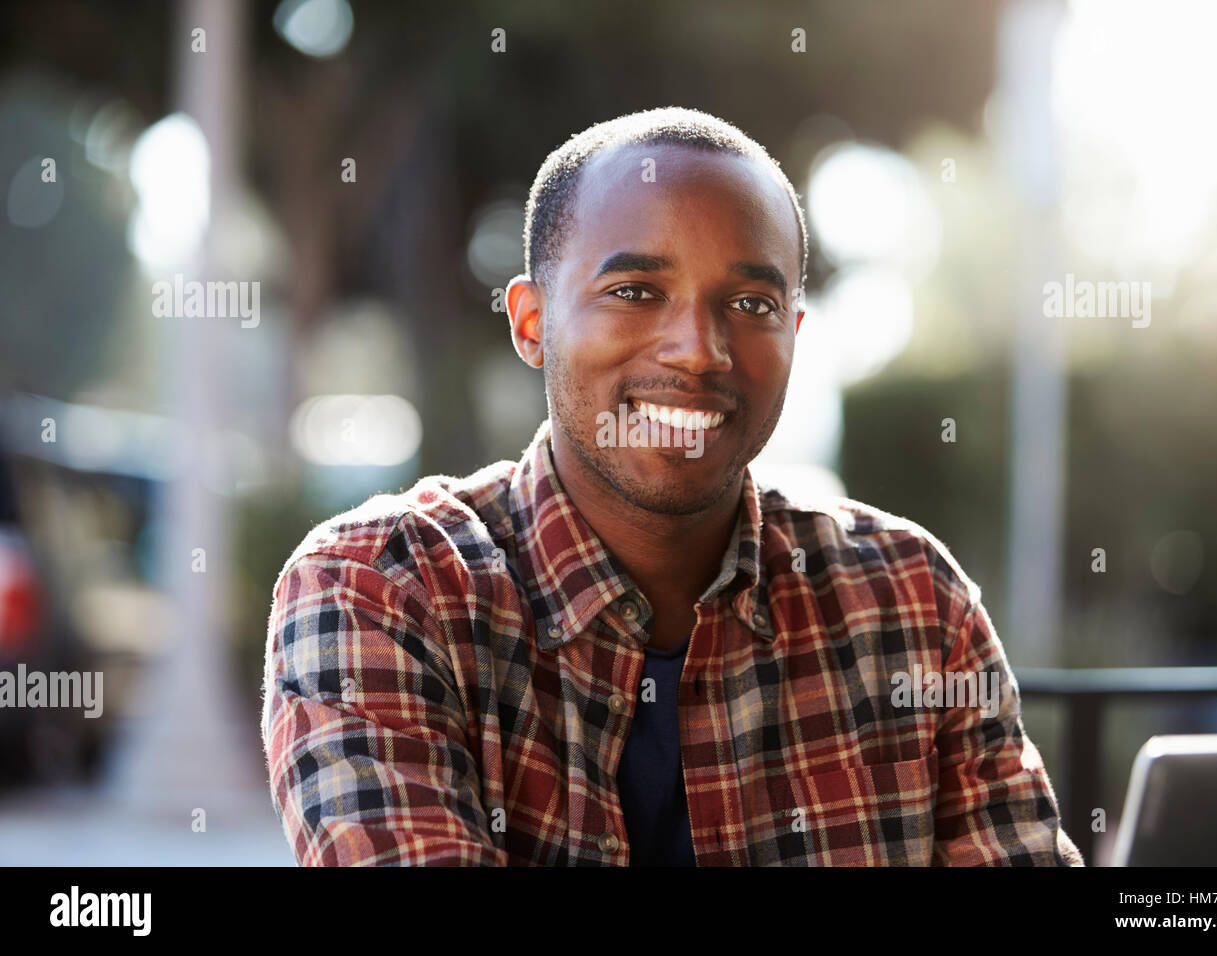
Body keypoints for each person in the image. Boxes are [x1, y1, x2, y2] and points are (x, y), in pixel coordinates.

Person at [261, 106, 1083, 866]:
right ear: (531, 322)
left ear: (795, 338)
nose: (698, 350)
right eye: (634, 292)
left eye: (751, 302)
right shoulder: (380, 590)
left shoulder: (911, 600)